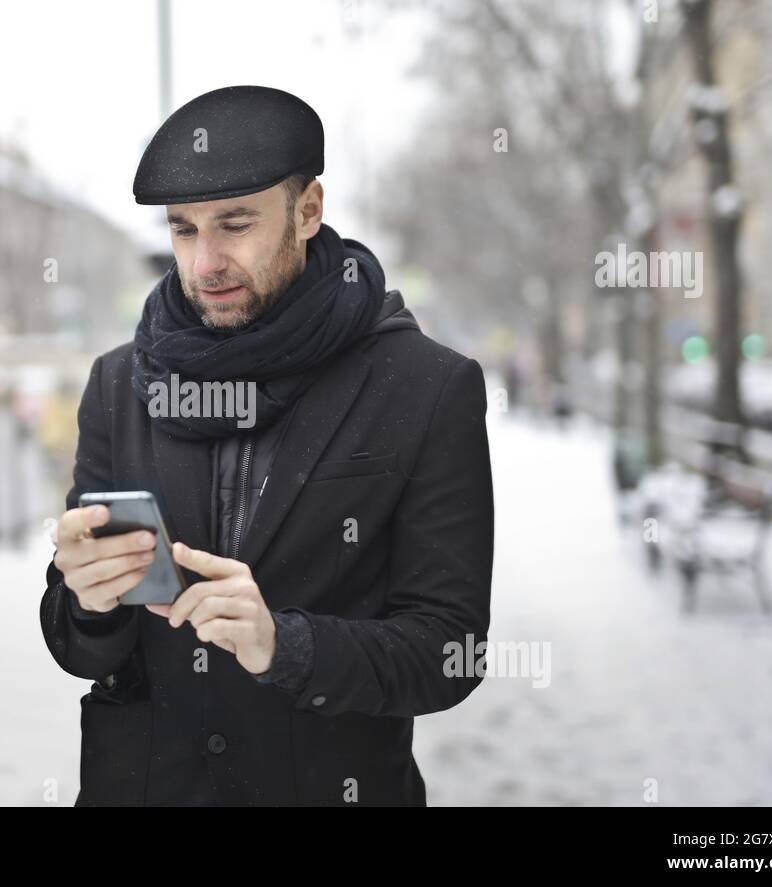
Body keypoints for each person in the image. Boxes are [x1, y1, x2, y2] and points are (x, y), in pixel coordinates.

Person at [38, 85, 495, 806]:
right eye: (183, 230)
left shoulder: (429, 387)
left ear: (309, 209)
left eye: (235, 224)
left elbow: (450, 650)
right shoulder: (119, 382)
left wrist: (285, 644)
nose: (205, 262)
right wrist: (86, 600)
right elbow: (80, 646)